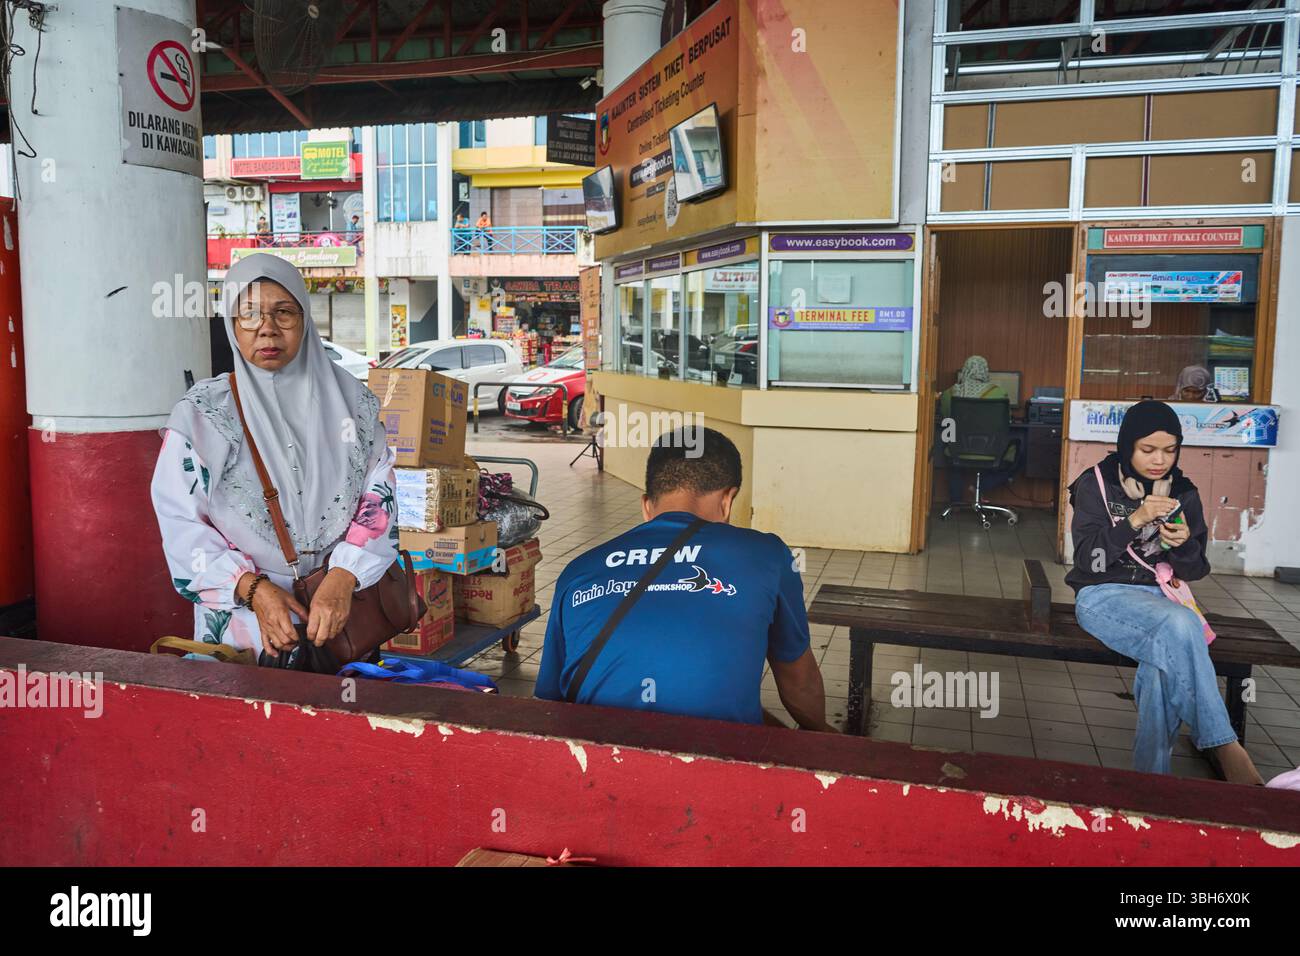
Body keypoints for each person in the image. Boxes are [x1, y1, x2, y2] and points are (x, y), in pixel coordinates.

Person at [151, 253, 399, 665]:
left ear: (305, 320)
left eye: (284, 312)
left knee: (340, 721)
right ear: (231, 326)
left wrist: (344, 575)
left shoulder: (352, 404)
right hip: (242, 624)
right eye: (249, 315)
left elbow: (379, 497)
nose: (267, 328)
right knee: (246, 722)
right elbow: (179, 520)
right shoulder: (205, 415)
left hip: (341, 613)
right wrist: (253, 589)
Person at [535, 427, 834, 731]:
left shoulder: (578, 570)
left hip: (596, 766)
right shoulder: (766, 555)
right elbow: (799, 683)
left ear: (646, 505)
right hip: (716, 767)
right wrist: (826, 739)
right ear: (728, 500)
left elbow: (551, 700)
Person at [1065, 400, 1263, 784]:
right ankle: (1225, 746)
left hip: (1164, 598)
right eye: (1147, 450)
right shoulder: (1097, 484)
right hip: (1102, 597)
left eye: (1169, 450)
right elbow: (1091, 562)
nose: (1159, 461)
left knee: (1161, 668)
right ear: (1127, 447)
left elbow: (1194, 569)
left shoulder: (1183, 492)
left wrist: (1183, 544)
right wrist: (1134, 520)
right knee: (1179, 625)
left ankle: (1152, 783)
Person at [939, 355, 1016, 506]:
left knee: (950, 448)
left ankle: (956, 503)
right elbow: (1006, 421)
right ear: (985, 371)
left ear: (965, 370)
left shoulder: (949, 394)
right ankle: (981, 486)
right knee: (1021, 452)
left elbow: (946, 418)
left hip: (958, 449)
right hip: (991, 451)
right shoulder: (999, 393)